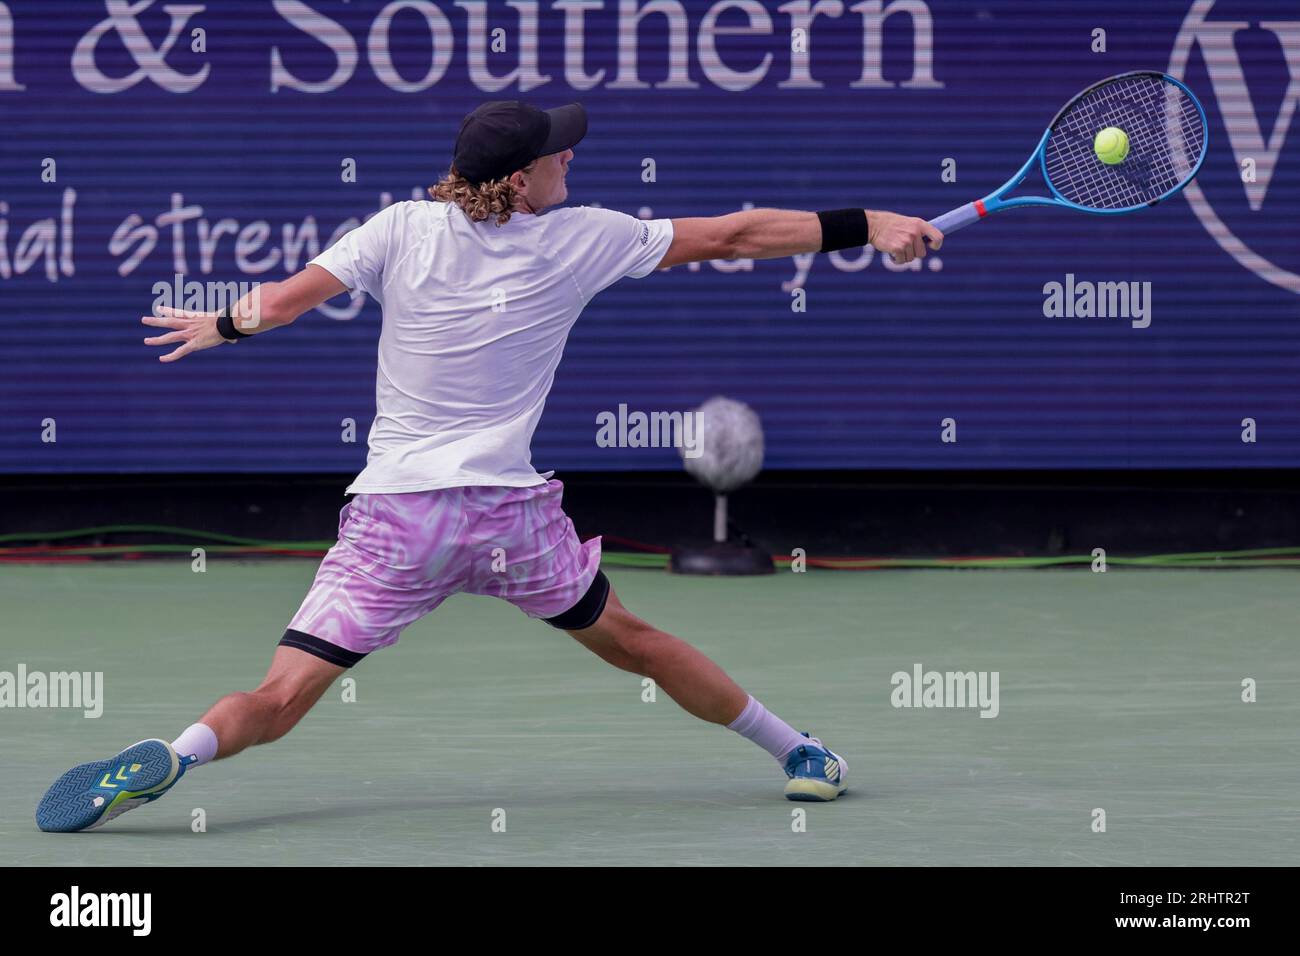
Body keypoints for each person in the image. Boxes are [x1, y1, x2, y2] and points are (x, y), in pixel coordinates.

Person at [36, 100, 942, 832]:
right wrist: (874, 222)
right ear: (519, 179)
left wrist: (220, 326)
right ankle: (800, 754)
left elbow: (284, 300)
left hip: (396, 522)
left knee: (278, 697)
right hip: (508, 523)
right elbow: (740, 236)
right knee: (638, 645)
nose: (571, 161)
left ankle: (180, 751)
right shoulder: (583, 236)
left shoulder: (398, 227)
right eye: (559, 155)